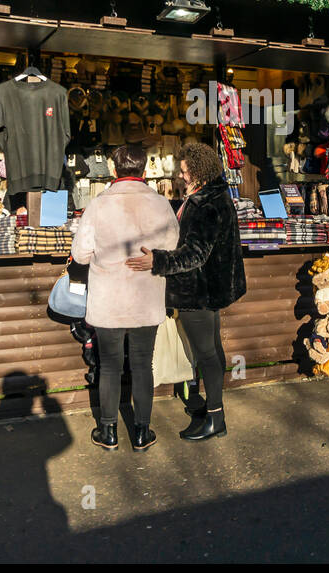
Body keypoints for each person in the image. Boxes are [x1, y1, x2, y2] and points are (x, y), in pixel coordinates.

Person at [126, 141, 246, 440]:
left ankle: (215, 419)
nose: (181, 176)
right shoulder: (208, 196)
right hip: (208, 287)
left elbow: (195, 254)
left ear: (199, 171)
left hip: (199, 291)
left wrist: (158, 261)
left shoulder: (206, 203)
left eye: (184, 171)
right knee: (212, 351)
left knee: (207, 353)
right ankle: (213, 411)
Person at [71, 144, 179, 452]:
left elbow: (80, 254)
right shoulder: (161, 204)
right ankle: (142, 432)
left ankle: (108, 432)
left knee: (110, 365)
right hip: (146, 298)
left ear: (114, 171)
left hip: (109, 302)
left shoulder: (98, 205)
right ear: (144, 172)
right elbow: (172, 248)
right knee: (143, 364)